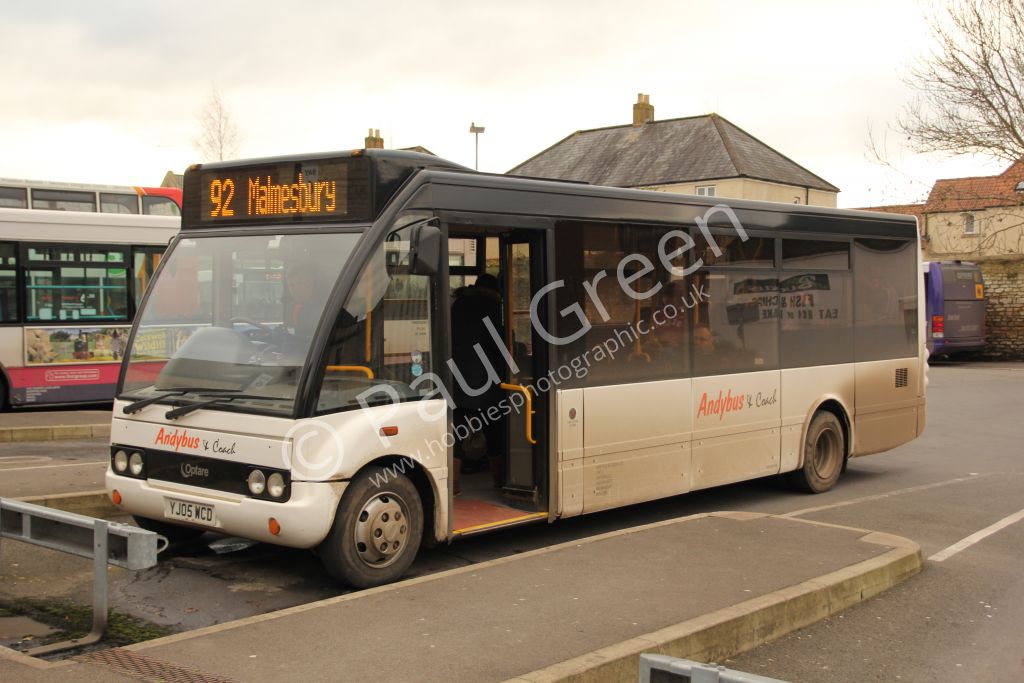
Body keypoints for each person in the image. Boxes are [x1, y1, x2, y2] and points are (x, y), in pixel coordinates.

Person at [450, 273, 507, 494]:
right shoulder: (490, 306)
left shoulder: (458, 304)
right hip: (485, 382)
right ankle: (499, 481)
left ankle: (453, 485)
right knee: (495, 432)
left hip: (456, 381)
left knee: (456, 434)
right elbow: (499, 342)